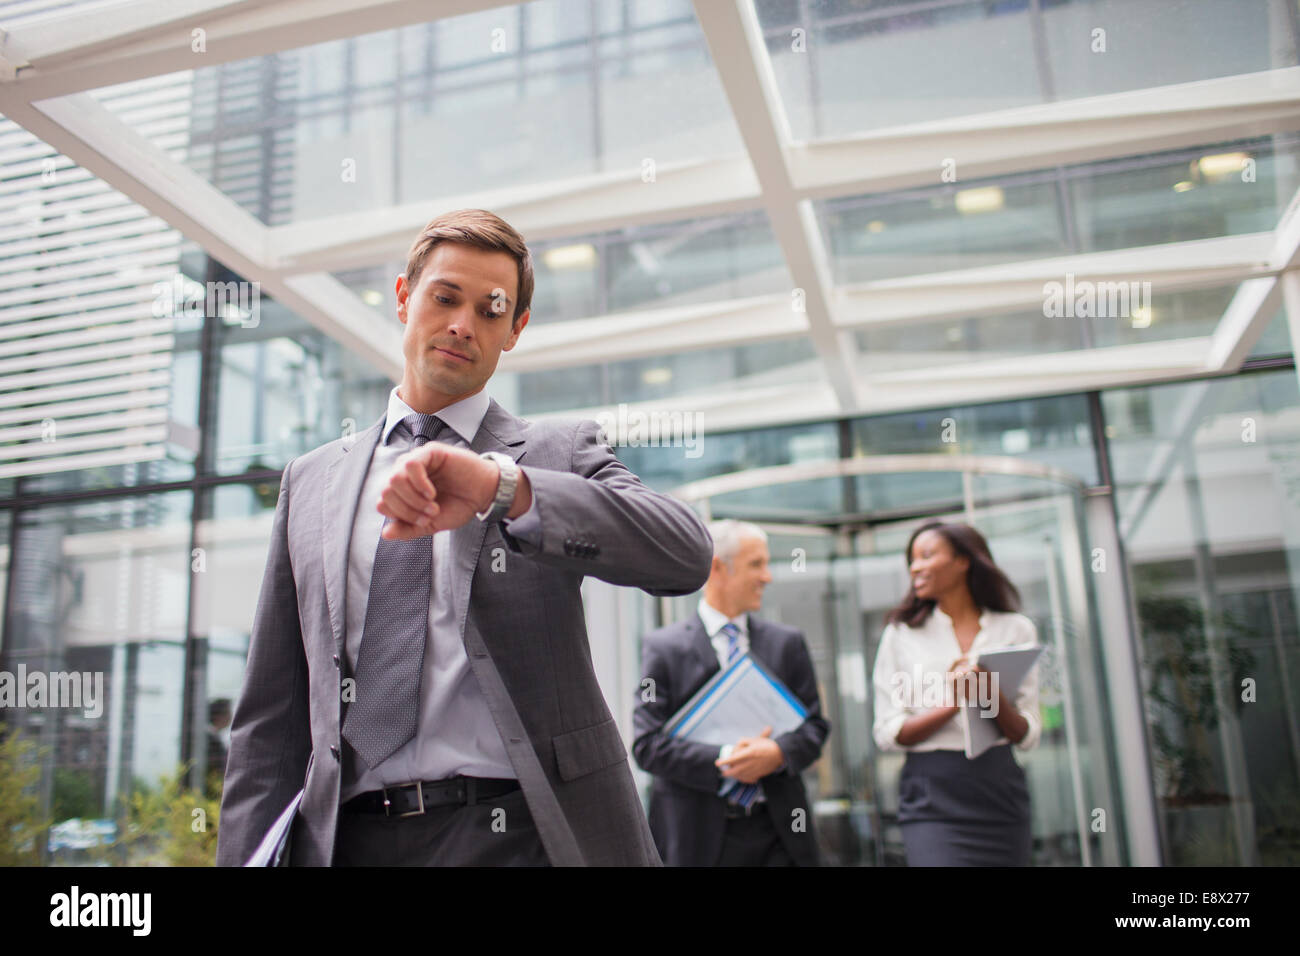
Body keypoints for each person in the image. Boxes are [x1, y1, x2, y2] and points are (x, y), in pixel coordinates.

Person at [216, 208, 714, 867]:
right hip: (348, 841)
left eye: (490, 309)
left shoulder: (555, 452)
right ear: (403, 298)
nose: (462, 325)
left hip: (522, 835)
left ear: (516, 329)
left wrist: (500, 488)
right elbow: (268, 724)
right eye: (445, 297)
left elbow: (685, 553)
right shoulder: (311, 482)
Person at [633, 519, 830, 866]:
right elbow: (647, 746)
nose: (767, 576)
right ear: (718, 568)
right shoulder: (663, 649)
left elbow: (815, 728)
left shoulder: (788, 644)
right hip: (699, 838)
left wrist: (777, 752)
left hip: (780, 832)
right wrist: (728, 758)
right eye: (757, 564)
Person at [871, 519, 1041, 866]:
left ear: (963, 561)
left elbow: (1026, 733)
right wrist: (955, 702)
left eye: (927, 555)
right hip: (931, 793)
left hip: (1000, 788)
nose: (915, 567)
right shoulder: (901, 634)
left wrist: (988, 695)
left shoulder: (1015, 629)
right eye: (912, 560)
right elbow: (889, 732)